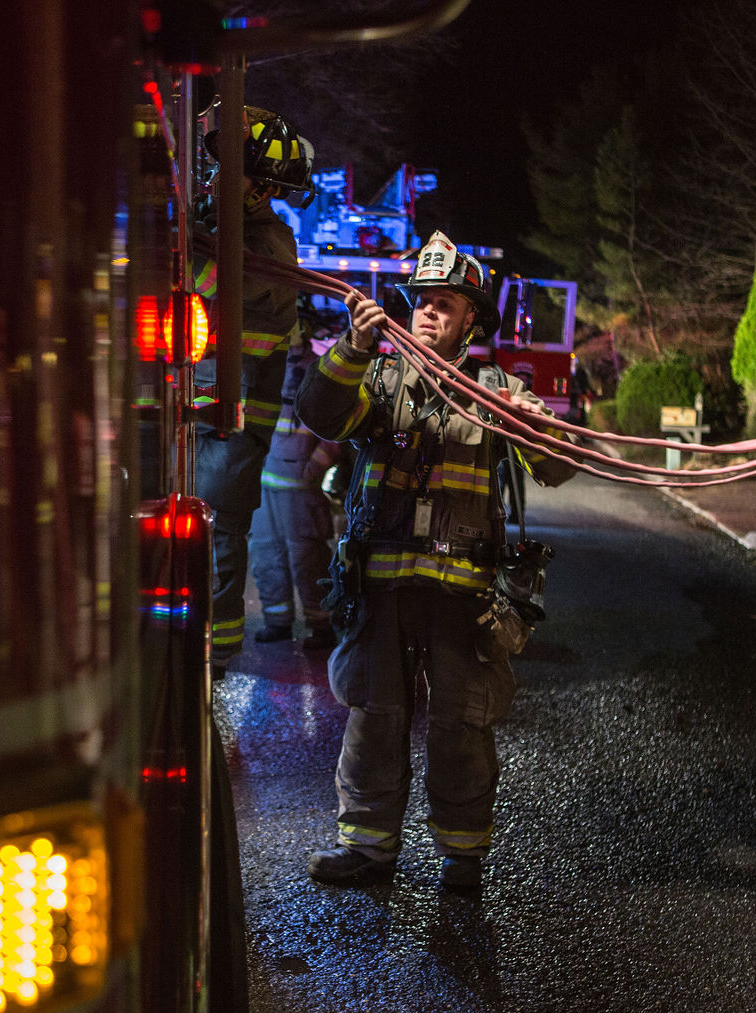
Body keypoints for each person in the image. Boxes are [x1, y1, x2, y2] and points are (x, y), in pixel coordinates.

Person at [295, 231, 576, 892]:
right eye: (421, 300)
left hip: (463, 593)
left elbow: (558, 467)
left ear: (470, 319)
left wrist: (531, 421)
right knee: (374, 715)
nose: (427, 312)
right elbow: (319, 414)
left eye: (444, 303)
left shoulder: (498, 390)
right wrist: (353, 347)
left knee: (461, 724)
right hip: (384, 584)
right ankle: (366, 848)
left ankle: (462, 854)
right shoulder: (379, 376)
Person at [192, 105, 315, 680]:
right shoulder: (220, 228)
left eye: (229, 169)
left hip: (233, 427)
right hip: (203, 414)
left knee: (214, 534)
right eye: (214, 164)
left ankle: (212, 657)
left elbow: (219, 288)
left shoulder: (270, 246)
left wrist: (177, 246)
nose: (214, 177)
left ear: (261, 188)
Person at [249, 341, 342, 651]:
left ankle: (321, 625)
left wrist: (311, 471)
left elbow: (337, 431)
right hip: (264, 485)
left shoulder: (319, 372)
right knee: (266, 554)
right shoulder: (263, 367)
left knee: (308, 559)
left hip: (300, 491)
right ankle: (277, 622)